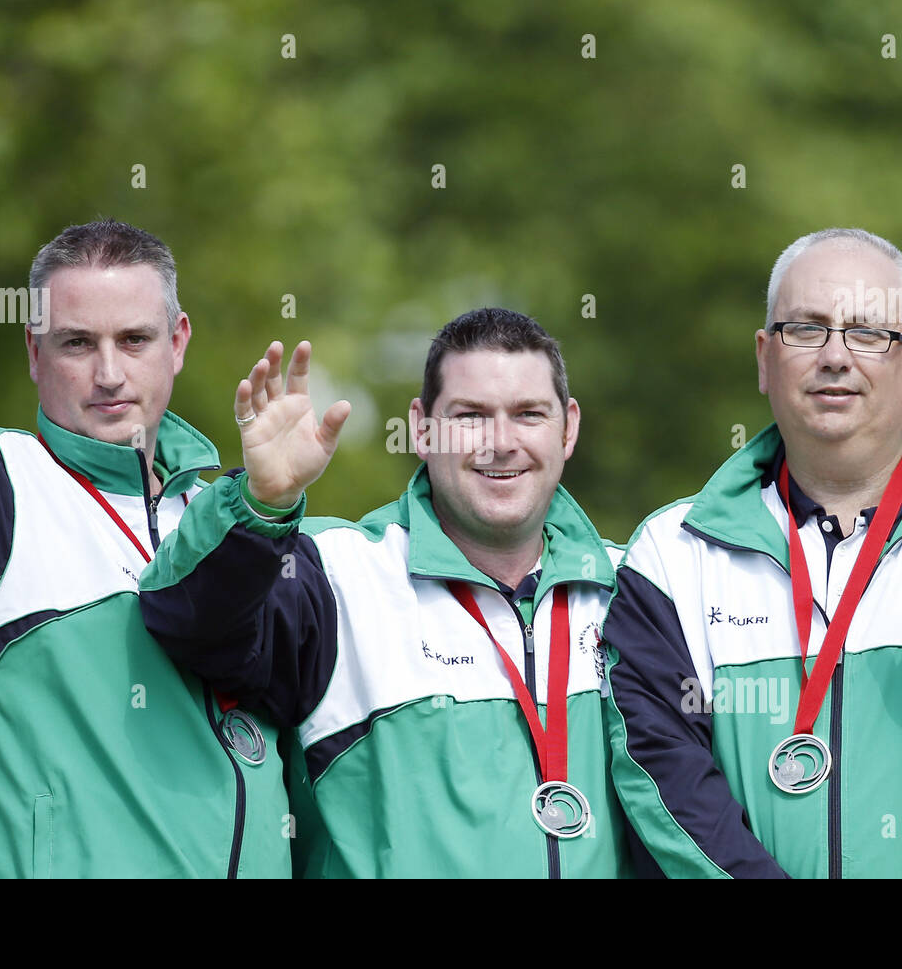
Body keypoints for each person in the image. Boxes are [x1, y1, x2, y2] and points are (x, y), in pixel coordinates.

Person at [0, 27, 289, 877]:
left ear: (177, 343)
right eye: (75, 343)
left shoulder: (221, 513)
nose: (108, 374)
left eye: (134, 339)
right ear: (33, 353)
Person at [604, 227, 902, 877]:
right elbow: (662, 790)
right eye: (805, 329)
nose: (836, 356)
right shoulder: (672, 556)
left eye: (868, 333)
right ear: (764, 356)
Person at [140, 309, 632, 877]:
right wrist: (259, 505)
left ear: (567, 428)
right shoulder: (339, 575)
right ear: (421, 428)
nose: (501, 443)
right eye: (469, 416)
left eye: (528, 415)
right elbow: (190, 627)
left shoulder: (632, 587)